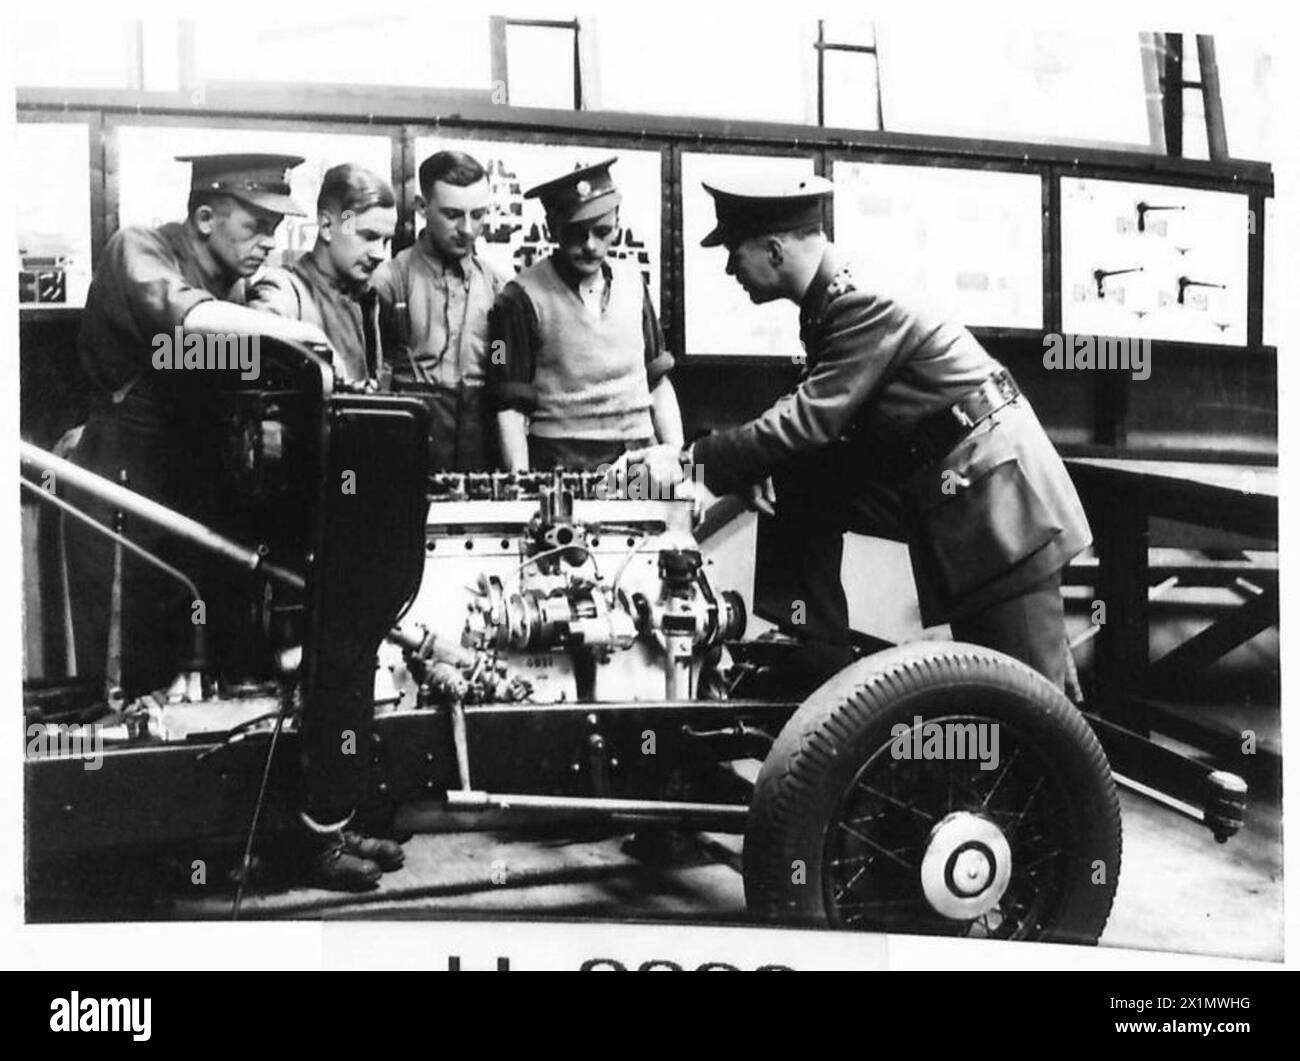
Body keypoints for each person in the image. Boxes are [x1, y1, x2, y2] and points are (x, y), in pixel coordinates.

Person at [66, 152, 399, 890]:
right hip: (125, 486)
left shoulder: (237, 280)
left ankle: (247, 837)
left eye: (278, 229)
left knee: (219, 674)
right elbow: (191, 328)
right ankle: (135, 859)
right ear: (208, 216)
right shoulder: (141, 250)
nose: (267, 244)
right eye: (255, 226)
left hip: (198, 485)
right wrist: (296, 337)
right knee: (133, 678)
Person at [624, 175, 1091, 689]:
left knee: (1029, 697)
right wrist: (763, 463)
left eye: (735, 251)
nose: (730, 267)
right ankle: (813, 644)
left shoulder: (862, 301)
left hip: (996, 502)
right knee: (801, 475)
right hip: (956, 484)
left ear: (775, 249)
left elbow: (808, 419)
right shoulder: (831, 299)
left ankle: (1057, 760)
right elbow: (813, 426)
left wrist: (691, 460)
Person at [488, 157, 683, 471]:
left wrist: (677, 456)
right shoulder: (516, 300)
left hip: (639, 460)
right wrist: (521, 485)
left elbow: (657, 380)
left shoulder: (634, 282)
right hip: (561, 464)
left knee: (668, 516)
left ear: (617, 224)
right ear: (553, 229)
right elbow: (508, 404)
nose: (591, 245)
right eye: (577, 233)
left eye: (602, 231)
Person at [372, 150, 509, 470]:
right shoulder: (388, 283)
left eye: (478, 215)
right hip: (409, 451)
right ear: (422, 208)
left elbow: (504, 371)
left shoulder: (499, 288)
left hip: (480, 454)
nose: (467, 229)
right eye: (452, 214)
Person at [247, 163, 396, 388]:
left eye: (385, 241)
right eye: (368, 236)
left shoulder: (367, 296)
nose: (379, 254)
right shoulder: (284, 290)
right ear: (327, 225)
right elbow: (252, 341)